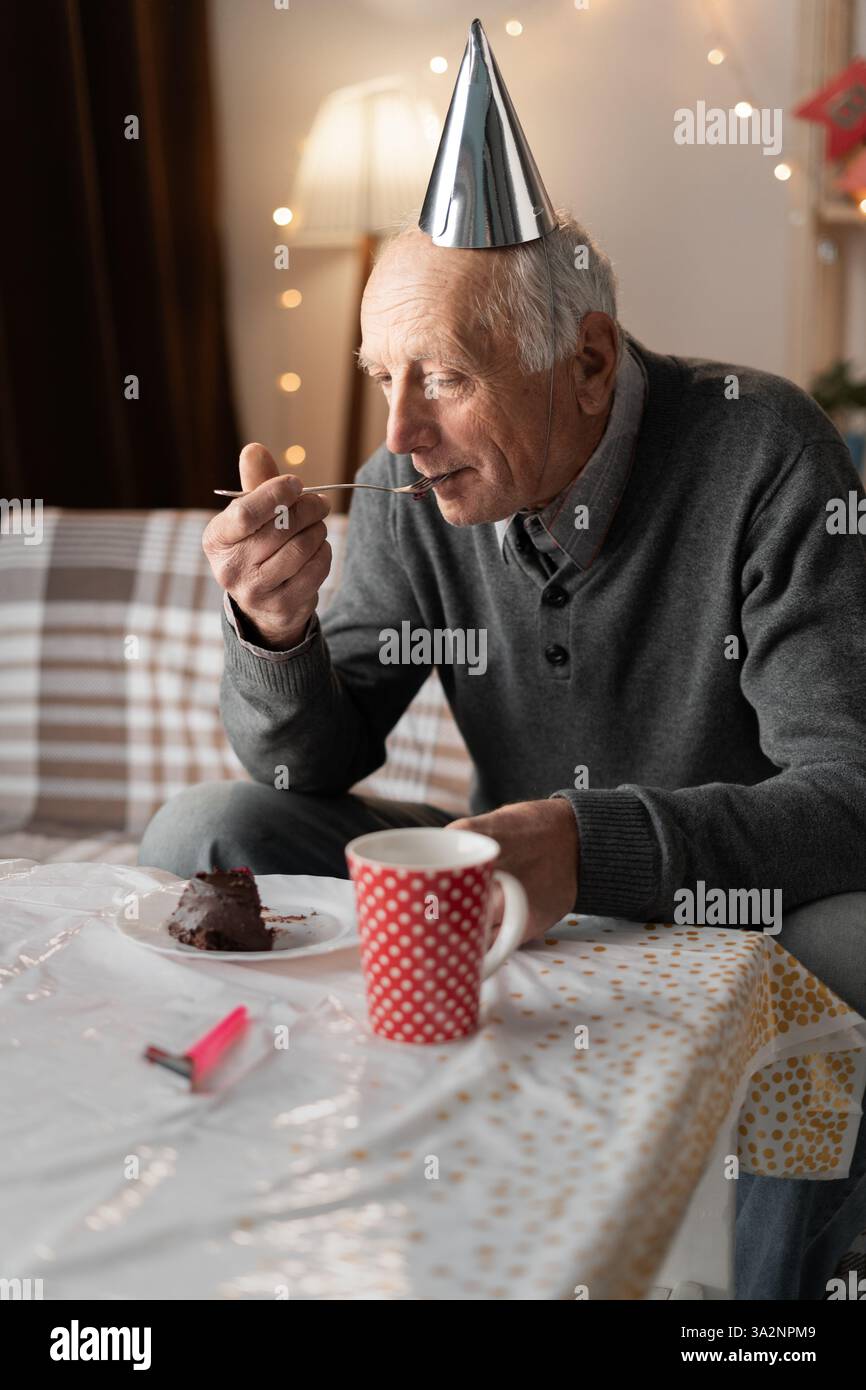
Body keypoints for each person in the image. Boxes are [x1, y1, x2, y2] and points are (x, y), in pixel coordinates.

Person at [139, 21, 866, 1301]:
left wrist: (590, 840)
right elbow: (314, 757)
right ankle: (281, 1212)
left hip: (731, 903)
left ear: (585, 361)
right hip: (514, 872)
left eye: (445, 378)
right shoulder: (407, 487)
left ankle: (768, 1309)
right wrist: (277, 632)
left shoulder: (764, 457)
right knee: (211, 824)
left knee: (858, 938)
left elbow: (850, 798)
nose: (400, 430)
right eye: (381, 376)